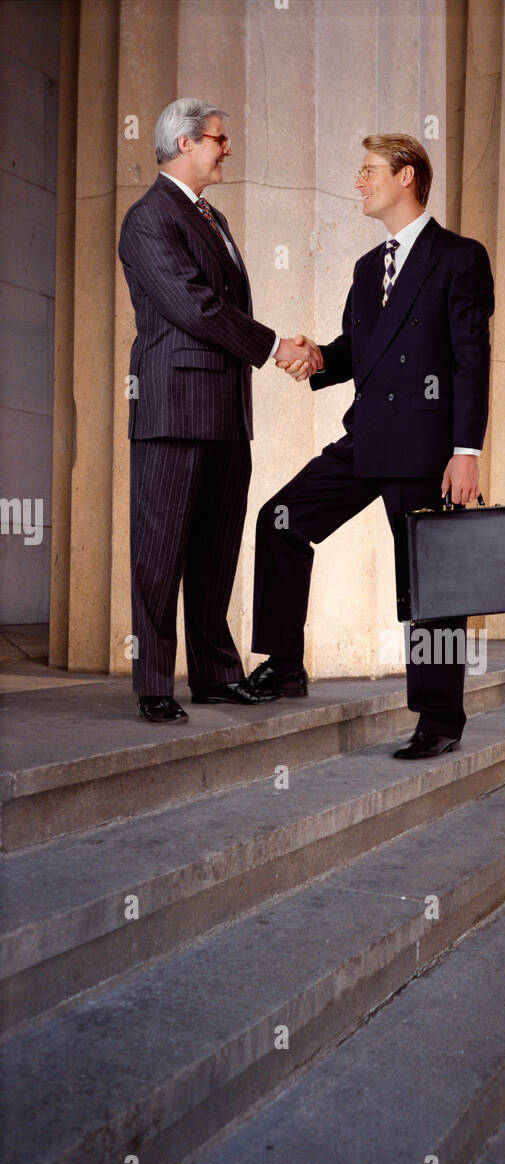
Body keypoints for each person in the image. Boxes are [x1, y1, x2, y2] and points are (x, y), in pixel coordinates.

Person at [247, 133, 494, 759]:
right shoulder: (366, 268)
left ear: (406, 176)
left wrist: (466, 450)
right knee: (279, 519)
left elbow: (471, 361)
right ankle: (283, 663)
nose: (359, 182)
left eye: (368, 171)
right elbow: (359, 351)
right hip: (367, 439)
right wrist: (317, 357)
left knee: (429, 580)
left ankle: (439, 719)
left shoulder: (459, 258)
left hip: (427, 449)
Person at [118, 97, 321, 723]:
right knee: (159, 553)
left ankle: (214, 676)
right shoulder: (148, 217)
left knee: (215, 553)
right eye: (218, 139)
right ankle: (154, 683)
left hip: (227, 413)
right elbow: (192, 305)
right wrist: (274, 346)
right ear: (185, 144)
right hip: (172, 410)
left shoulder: (214, 218)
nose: (226, 147)